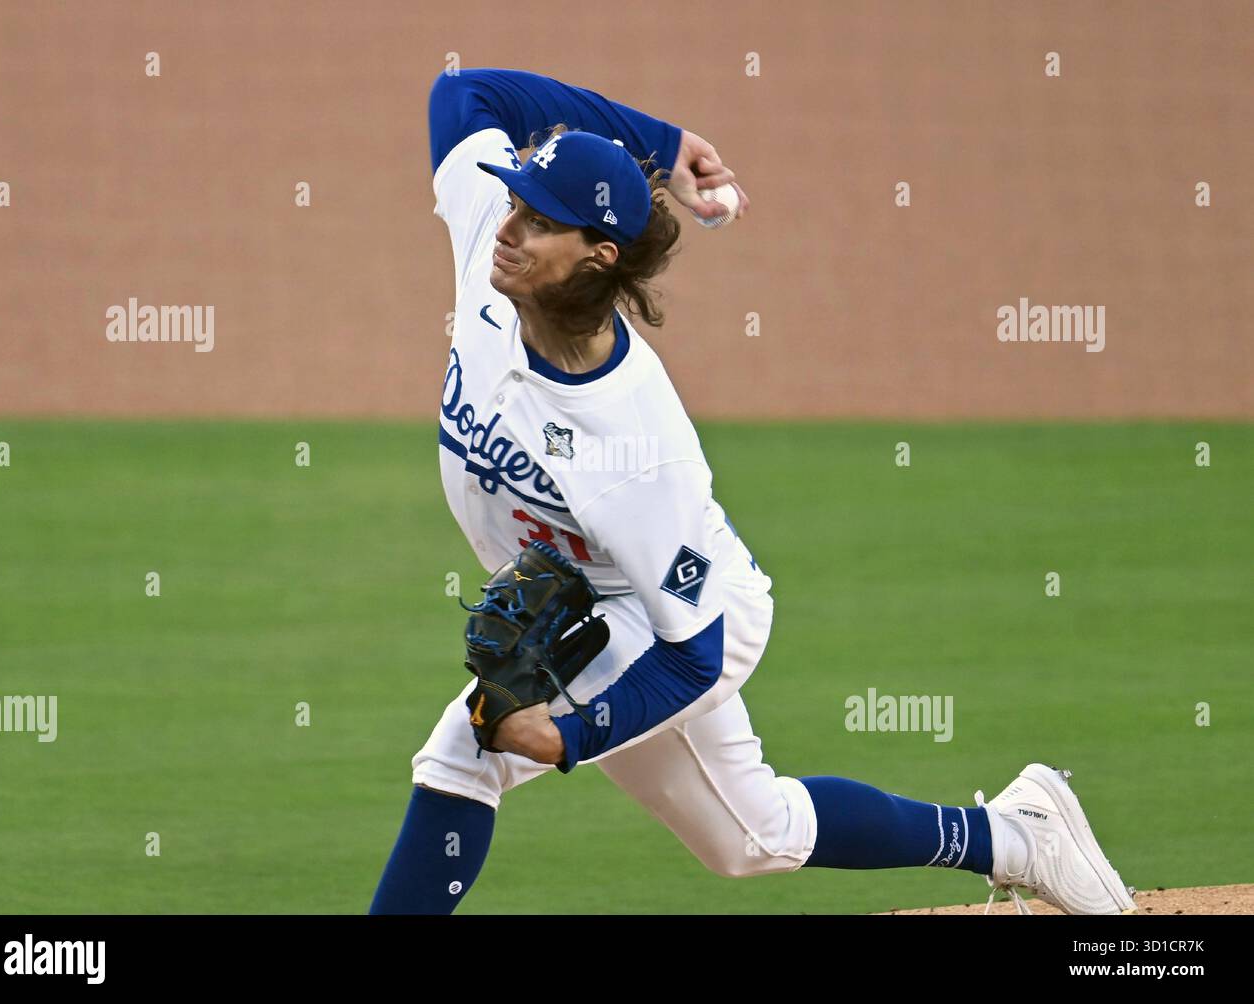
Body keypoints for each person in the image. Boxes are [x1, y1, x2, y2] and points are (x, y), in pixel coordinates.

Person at [368, 67, 1135, 916]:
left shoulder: (635, 449)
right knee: (753, 837)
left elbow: (694, 650)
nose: (507, 227)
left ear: (599, 256)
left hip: (678, 615)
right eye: (515, 203)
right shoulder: (494, 245)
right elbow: (463, 97)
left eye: (540, 221)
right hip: (597, 601)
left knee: (463, 754)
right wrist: (660, 142)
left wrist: (569, 737)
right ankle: (1020, 837)